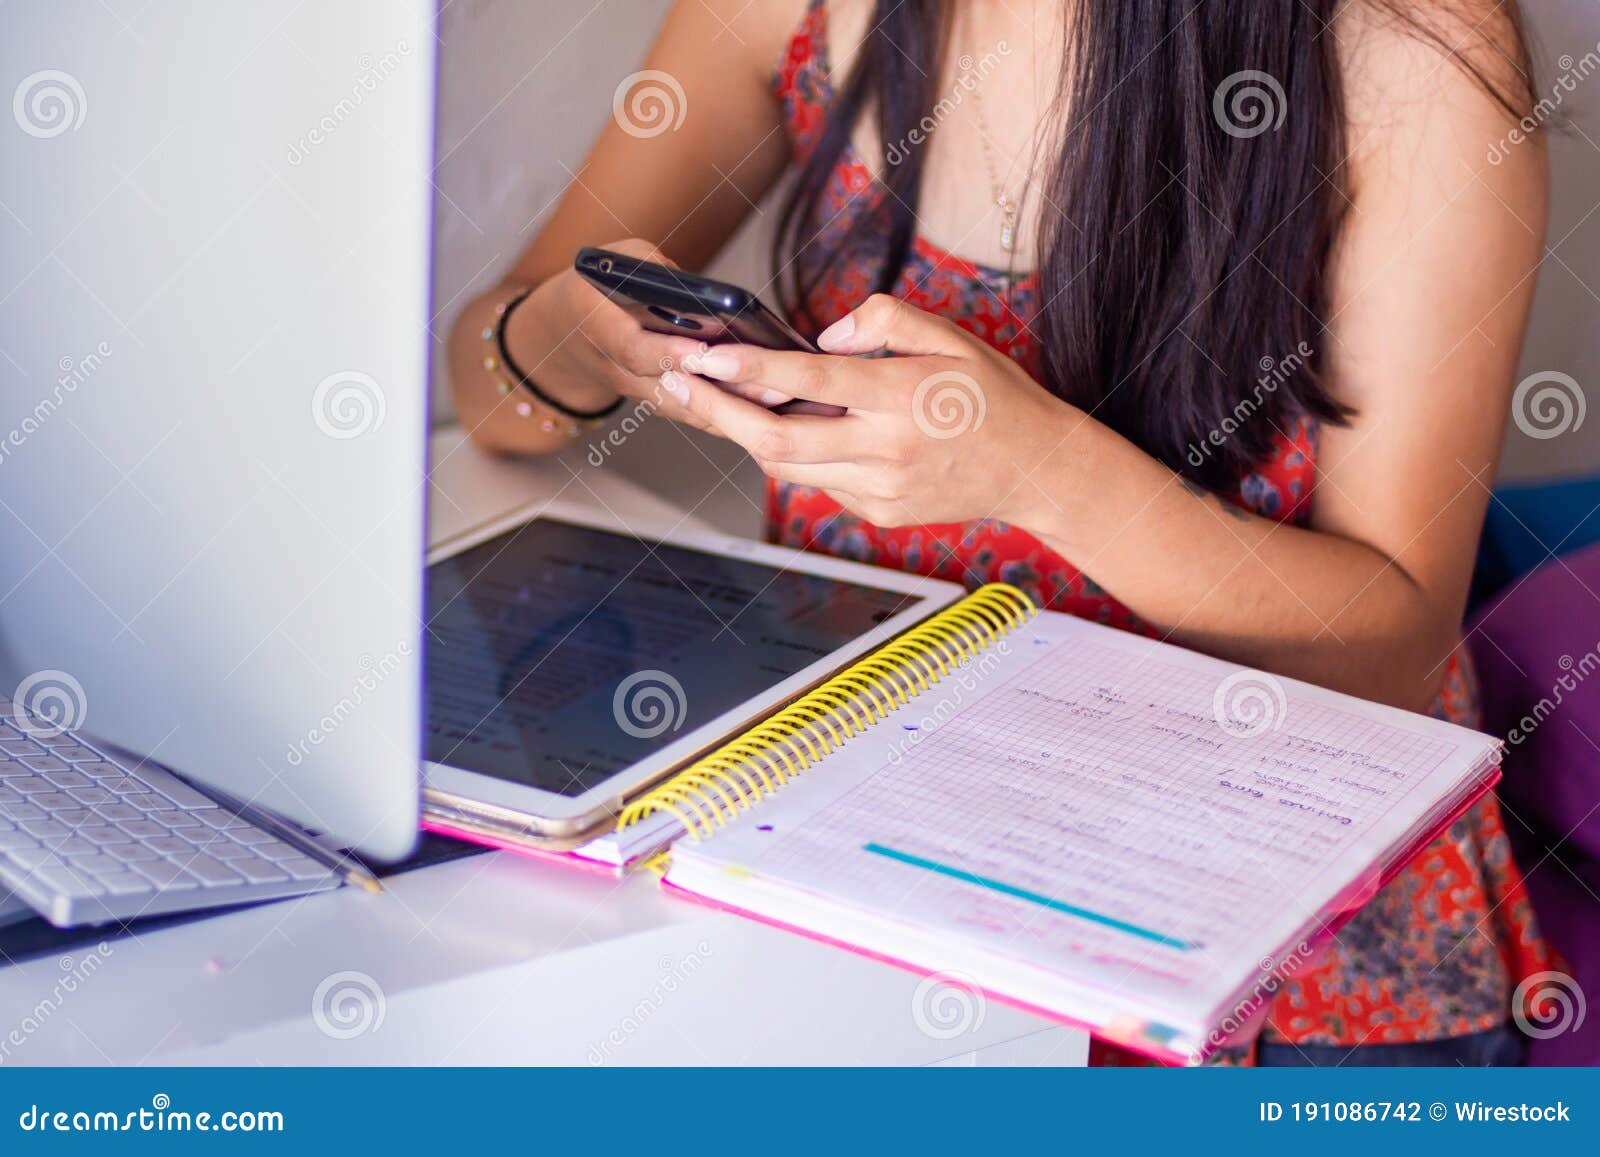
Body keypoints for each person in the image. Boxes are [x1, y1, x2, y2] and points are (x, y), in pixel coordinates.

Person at [449, 0, 1550, 1065]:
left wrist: (1037, 470)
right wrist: (571, 338)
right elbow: (491, 400)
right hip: (871, 873)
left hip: (1271, 960)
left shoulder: (1413, 43)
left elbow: (1391, 647)